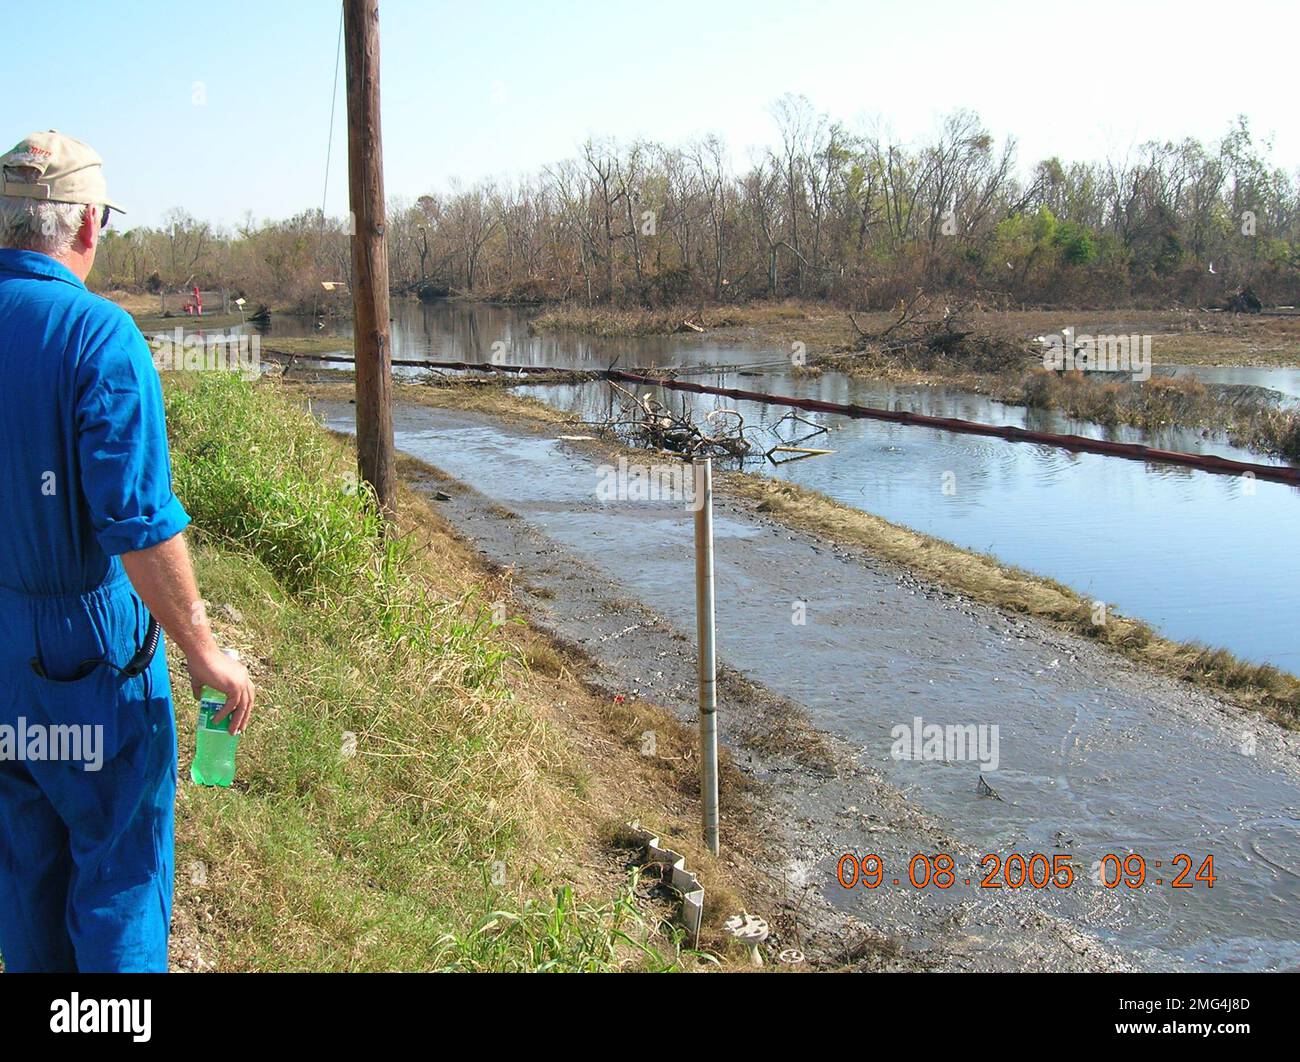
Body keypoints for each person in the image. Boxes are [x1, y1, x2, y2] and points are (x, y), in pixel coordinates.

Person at [0, 130, 254, 972]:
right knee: (118, 866)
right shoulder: (96, 336)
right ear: (85, 228)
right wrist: (204, 653)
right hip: (84, 649)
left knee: (25, 863)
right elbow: (138, 525)